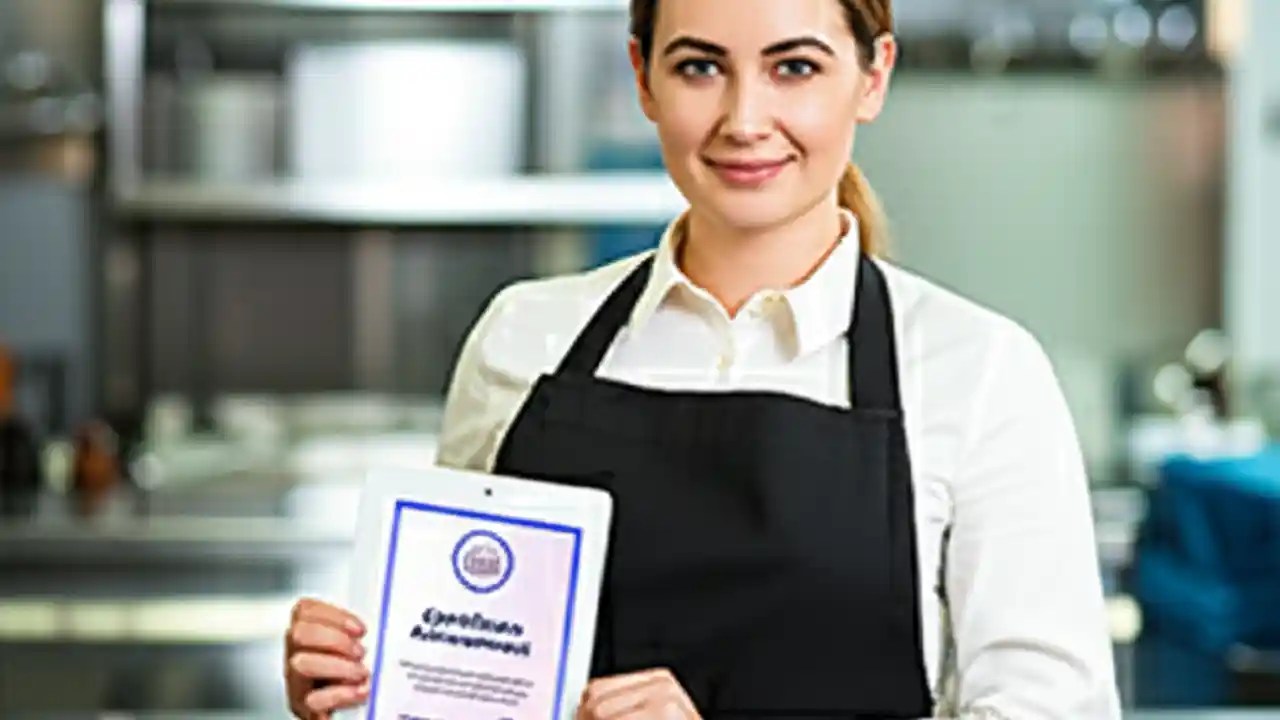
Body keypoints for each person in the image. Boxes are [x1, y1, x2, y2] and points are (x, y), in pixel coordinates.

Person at [284, 0, 1122, 717]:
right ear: (643, 77)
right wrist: (366, 688)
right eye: (699, 68)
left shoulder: (977, 371)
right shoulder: (523, 338)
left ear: (872, 78)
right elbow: (473, 680)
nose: (744, 120)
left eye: (794, 68)